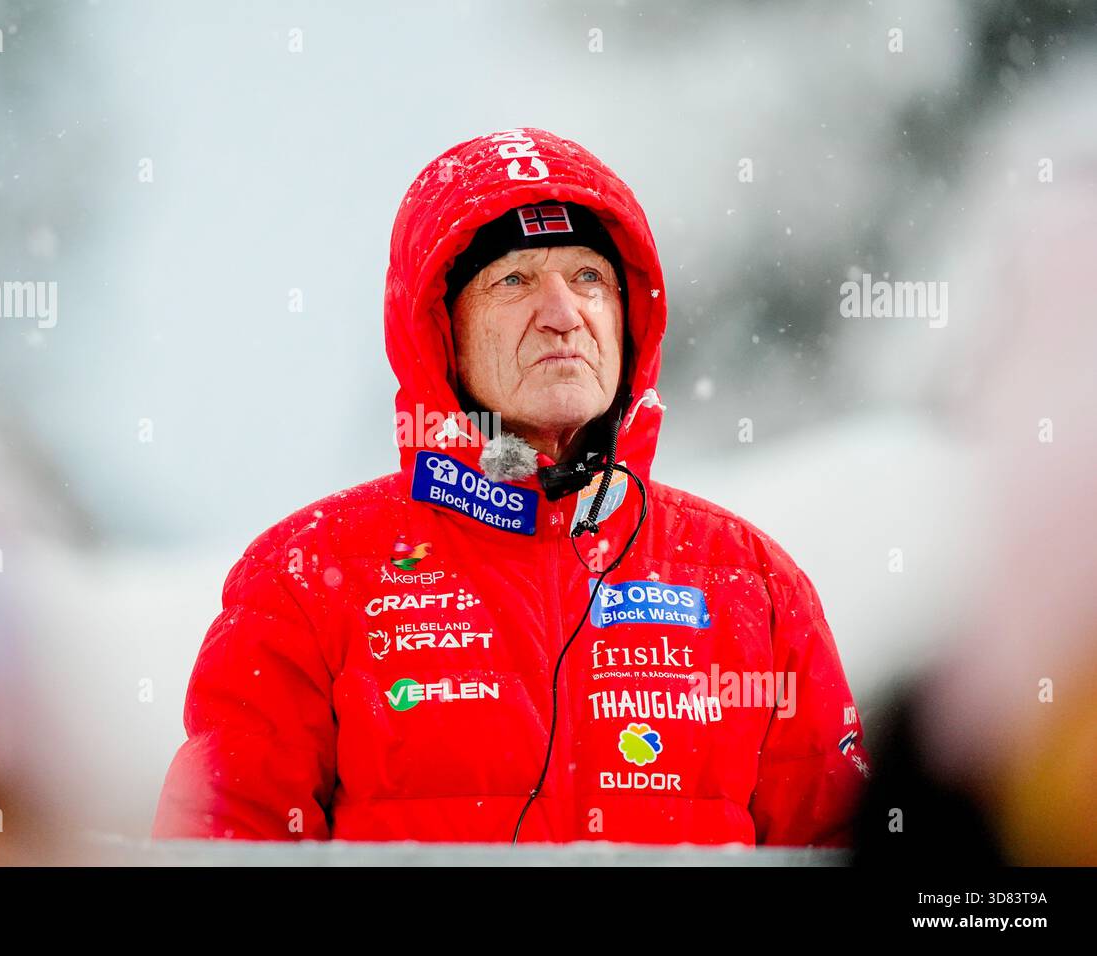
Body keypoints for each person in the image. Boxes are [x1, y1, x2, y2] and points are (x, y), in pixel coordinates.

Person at [153, 128, 869, 845]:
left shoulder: (755, 585)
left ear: (630, 318)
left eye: (590, 277)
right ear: (441, 331)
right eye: (514, 280)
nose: (564, 313)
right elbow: (217, 851)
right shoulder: (306, 579)